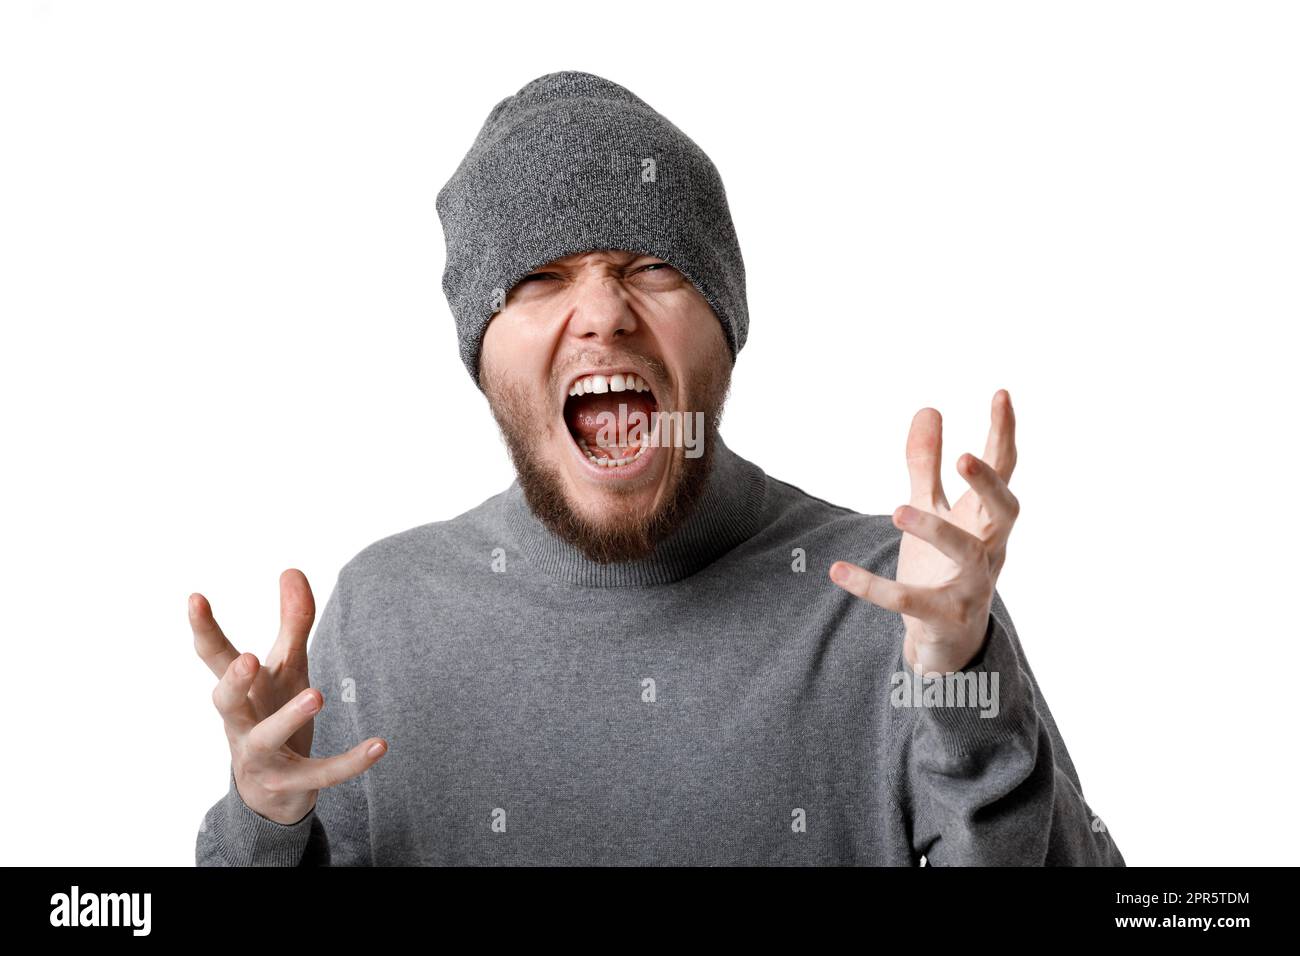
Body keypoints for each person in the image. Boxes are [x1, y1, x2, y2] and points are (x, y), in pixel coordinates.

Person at [192, 70, 1124, 866]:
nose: (602, 313)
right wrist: (265, 823)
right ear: (482, 360)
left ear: (726, 332)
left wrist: (962, 684)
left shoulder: (905, 599)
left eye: (650, 267)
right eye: (540, 279)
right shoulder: (387, 612)